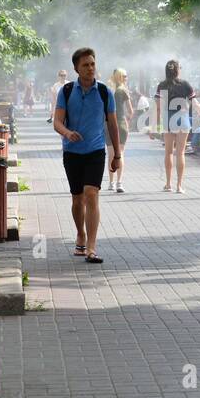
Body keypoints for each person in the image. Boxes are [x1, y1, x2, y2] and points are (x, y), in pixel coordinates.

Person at [54, 47, 120, 263]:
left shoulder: (104, 91)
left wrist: (117, 154)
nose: (90, 68)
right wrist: (67, 133)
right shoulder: (65, 92)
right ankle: (80, 234)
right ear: (76, 68)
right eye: (85, 65)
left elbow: (113, 124)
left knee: (91, 194)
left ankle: (91, 246)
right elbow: (57, 121)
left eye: (92, 64)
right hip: (72, 152)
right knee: (77, 199)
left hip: (95, 150)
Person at [156, 59, 200, 194]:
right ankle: (179, 186)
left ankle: (168, 184)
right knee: (180, 153)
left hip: (168, 119)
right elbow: (194, 102)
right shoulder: (185, 84)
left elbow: (159, 107)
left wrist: (156, 125)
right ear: (178, 70)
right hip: (183, 119)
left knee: (168, 152)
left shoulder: (161, 85)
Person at [106, 68, 133, 193]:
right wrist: (127, 120)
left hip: (108, 124)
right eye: (125, 76)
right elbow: (130, 111)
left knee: (111, 153)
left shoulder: (107, 90)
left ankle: (111, 182)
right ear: (121, 77)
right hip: (121, 124)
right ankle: (119, 183)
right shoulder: (123, 91)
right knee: (120, 153)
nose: (127, 78)